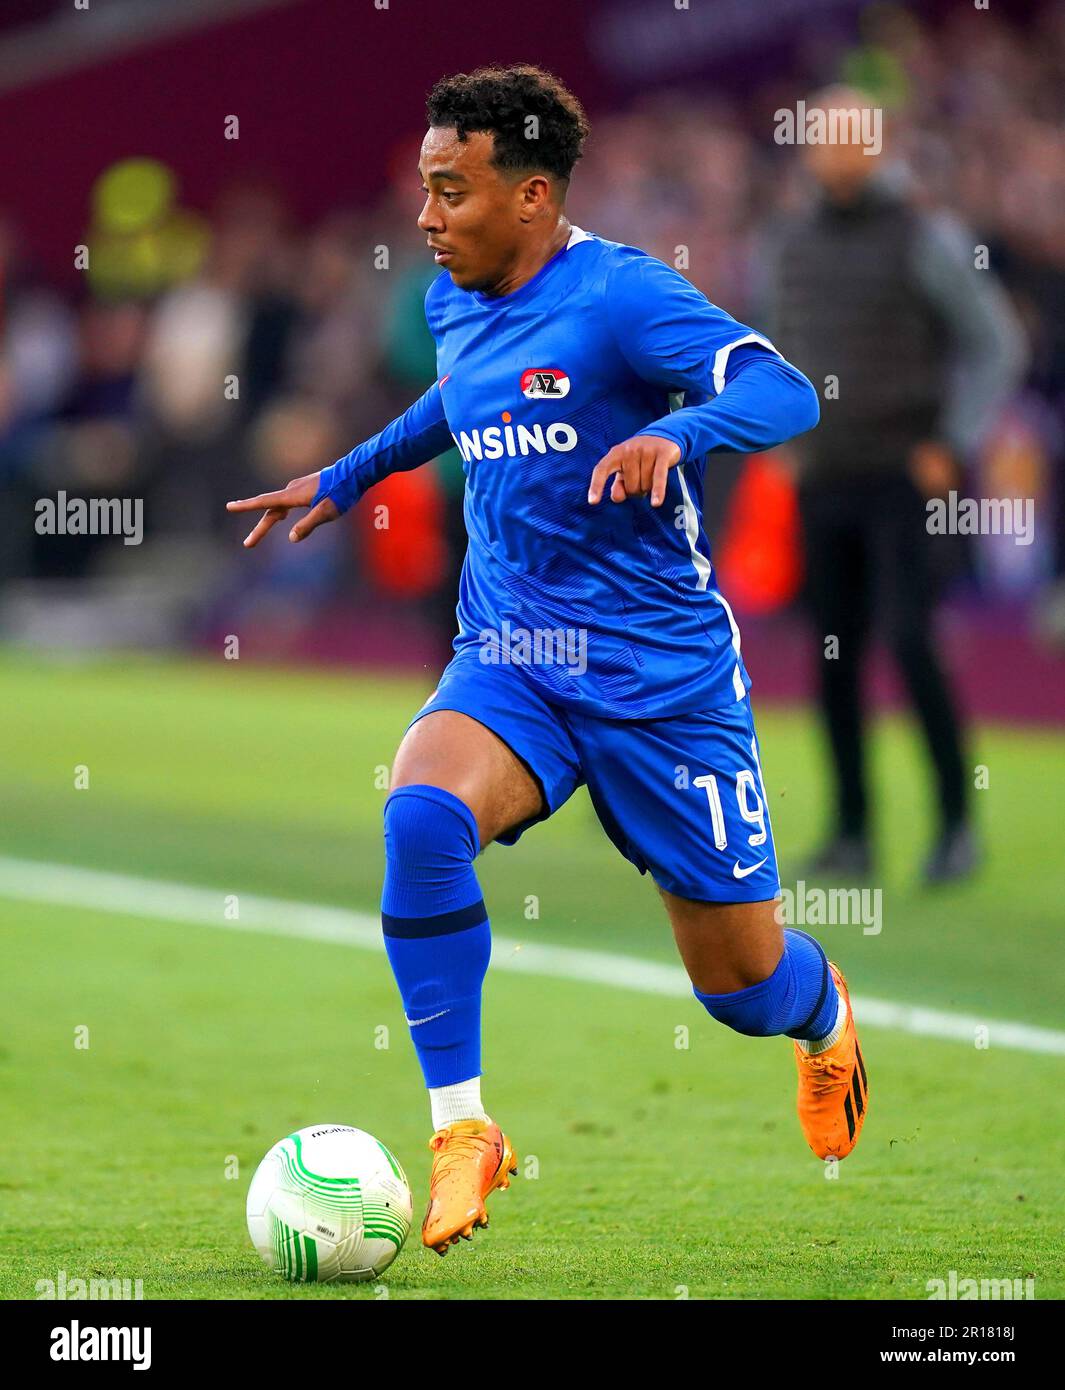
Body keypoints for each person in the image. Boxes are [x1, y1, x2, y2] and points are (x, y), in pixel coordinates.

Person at [227, 65, 868, 1257]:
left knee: (741, 988)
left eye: (451, 190)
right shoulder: (453, 296)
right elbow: (460, 400)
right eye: (426, 188)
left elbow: (783, 391)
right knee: (421, 816)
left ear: (530, 196)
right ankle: (463, 1129)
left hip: (662, 685)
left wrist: (679, 430)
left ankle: (822, 1012)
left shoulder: (625, 295)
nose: (427, 216)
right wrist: (351, 473)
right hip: (513, 654)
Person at [760, 87, 1029, 884]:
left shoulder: (924, 234)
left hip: (902, 477)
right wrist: (780, 435)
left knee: (911, 641)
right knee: (831, 656)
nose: (833, 152)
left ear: (875, 147)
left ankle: (954, 826)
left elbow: (996, 342)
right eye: (822, 138)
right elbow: (772, 344)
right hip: (824, 474)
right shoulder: (787, 241)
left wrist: (952, 439)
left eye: (848, 138)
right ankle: (851, 832)